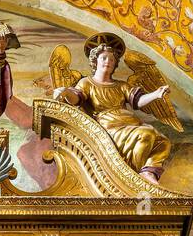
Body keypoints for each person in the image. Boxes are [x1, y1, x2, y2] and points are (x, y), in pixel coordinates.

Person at [53, 33, 172, 182]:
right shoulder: (86, 83)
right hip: (108, 127)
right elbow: (77, 99)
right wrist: (65, 92)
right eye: (104, 58)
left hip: (130, 123)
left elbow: (138, 101)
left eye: (112, 59)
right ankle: (132, 177)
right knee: (146, 134)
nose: (108, 61)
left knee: (163, 142)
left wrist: (156, 94)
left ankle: (147, 173)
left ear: (115, 64)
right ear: (95, 61)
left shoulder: (121, 85)